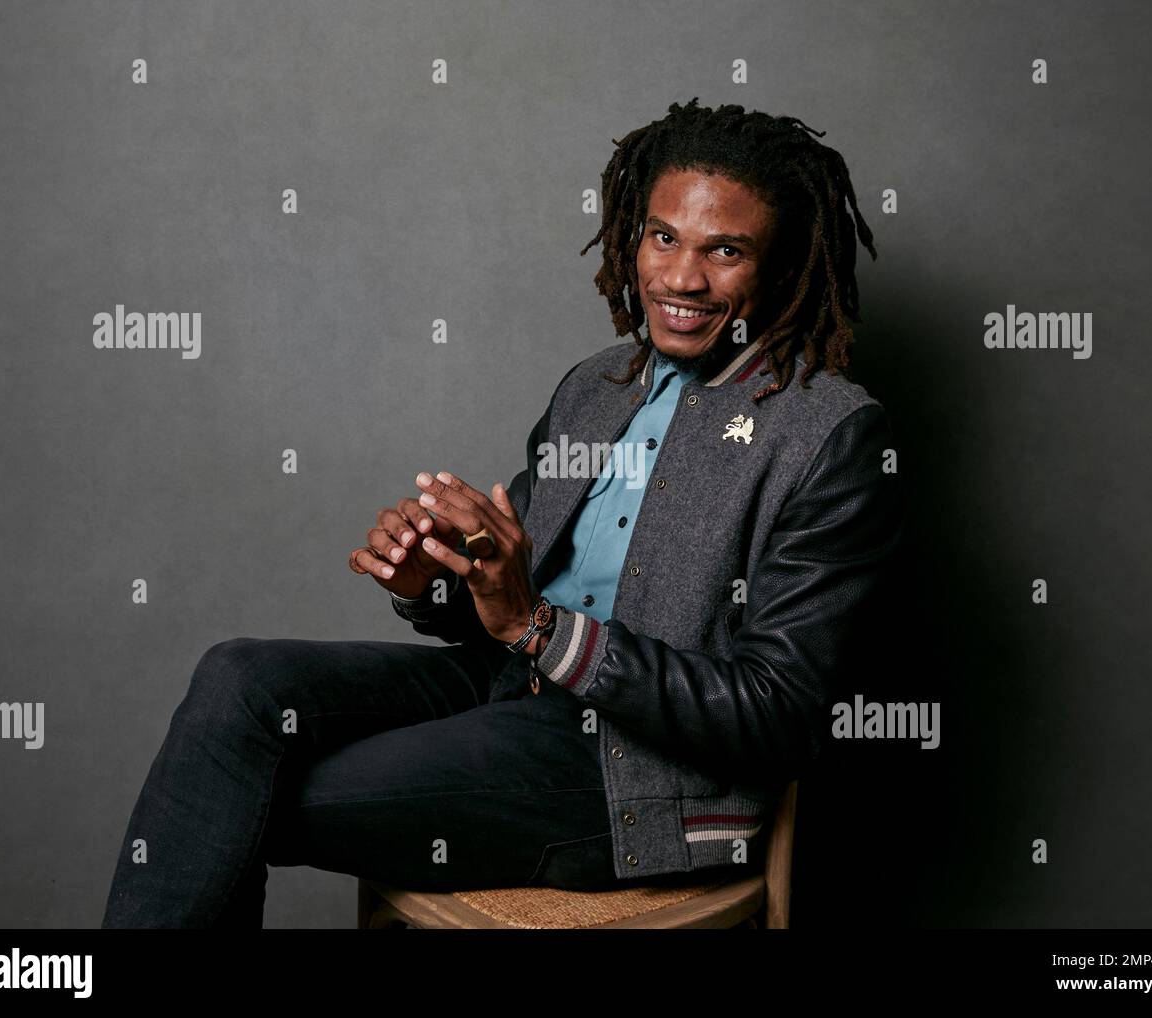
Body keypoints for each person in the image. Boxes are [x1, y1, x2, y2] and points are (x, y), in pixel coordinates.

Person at [101, 97, 904, 928]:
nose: (680, 278)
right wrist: (435, 581)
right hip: (503, 691)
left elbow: (778, 715)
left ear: (778, 264)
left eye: (725, 251)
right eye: (663, 237)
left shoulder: (829, 438)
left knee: (240, 788)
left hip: (635, 771)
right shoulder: (596, 387)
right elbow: (502, 600)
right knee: (238, 680)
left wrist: (537, 627)